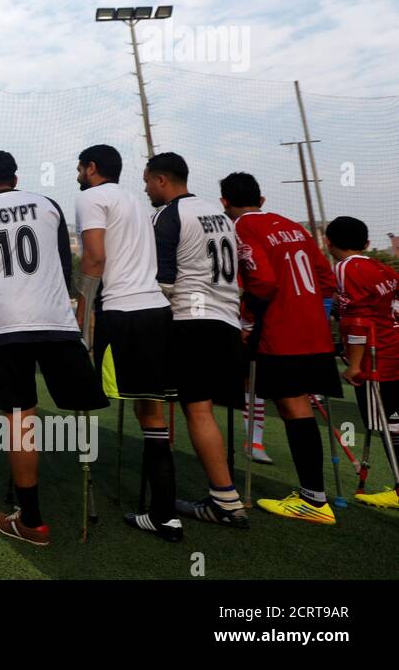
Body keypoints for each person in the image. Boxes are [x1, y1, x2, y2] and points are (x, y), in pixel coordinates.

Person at [0, 151, 107, 546]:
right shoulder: (48, 206)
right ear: (15, 176)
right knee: (79, 406)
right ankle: (89, 504)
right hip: (57, 322)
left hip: (7, 327)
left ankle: (33, 521)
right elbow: (62, 265)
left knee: (20, 417)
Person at [74, 145, 181, 542]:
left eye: (80, 167)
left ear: (92, 168)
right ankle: (165, 514)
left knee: (90, 397)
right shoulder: (137, 202)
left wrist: (82, 314)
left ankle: (162, 513)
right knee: (151, 412)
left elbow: (94, 258)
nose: (78, 173)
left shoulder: (91, 197)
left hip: (123, 313)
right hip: (156, 311)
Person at [221, 171, 340, 524]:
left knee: (291, 406)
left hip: (280, 331)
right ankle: (314, 495)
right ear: (262, 199)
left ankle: (313, 501)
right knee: (298, 405)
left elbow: (263, 282)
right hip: (313, 331)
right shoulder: (294, 226)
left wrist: (247, 323)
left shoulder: (243, 228)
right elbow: (326, 279)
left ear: (225, 203)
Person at [143, 152, 248, 528]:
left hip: (192, 320)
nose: (145, 188)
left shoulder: (169, 215)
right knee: (209, 411)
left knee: (196, 410)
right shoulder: (221, 215)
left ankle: (225, 501)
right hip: (227, 321)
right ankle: (227, 495)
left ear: (161, 180)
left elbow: (165, 282)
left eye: (147, 181)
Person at [323, 215, 398, 510]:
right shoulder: (382, 268)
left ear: (328, 243)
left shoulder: (343, 269)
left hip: (376, 356)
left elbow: (357, 320)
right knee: (394, 420)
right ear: (367, 243)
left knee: (388, 424)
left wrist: (354, 365)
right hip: (393, 346)